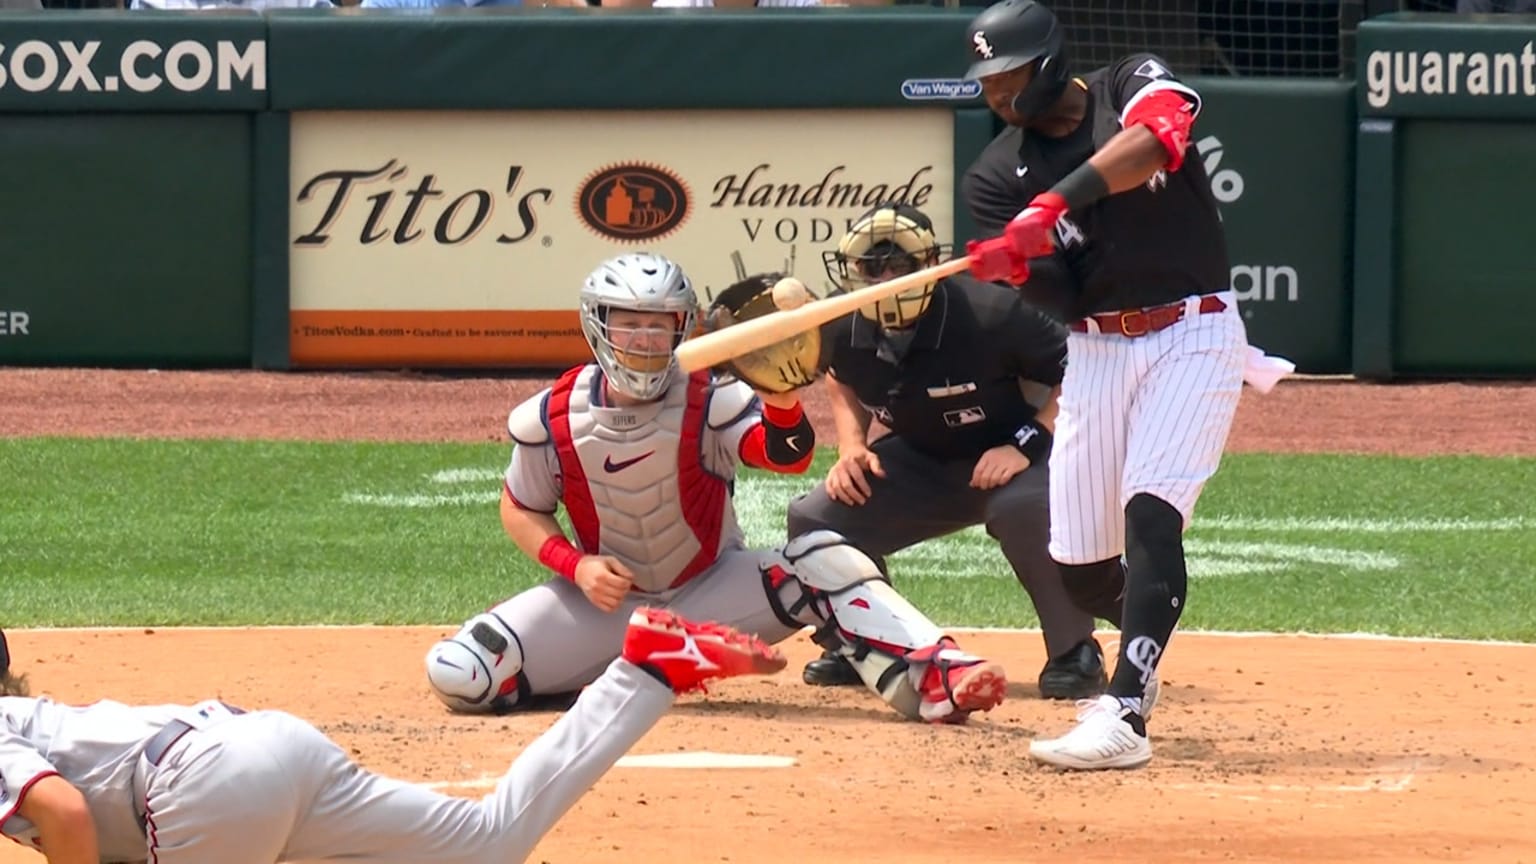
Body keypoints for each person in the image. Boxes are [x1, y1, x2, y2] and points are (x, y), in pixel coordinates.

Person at [423, 251, 1008, 726]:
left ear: (682, 326)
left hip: (713, 594)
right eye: (631, 323)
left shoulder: (708, 398)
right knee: (462, 673)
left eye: (660, 326)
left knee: (823, 557)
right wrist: (575, 568)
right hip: (607, 606)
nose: (647, 340)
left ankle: (937, 670)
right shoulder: (549, 415)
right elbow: (521, 508)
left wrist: (781, 401)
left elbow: (784, 456)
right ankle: (643, 664)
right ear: (598, 326)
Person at [957, 0, 1270, 770]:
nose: (999, 94)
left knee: (1151, 515)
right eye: (988, 81)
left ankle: (1126, 709)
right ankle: (1147, 634)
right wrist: (1022, 269)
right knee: (1082, 568)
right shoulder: (995, 174)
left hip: (1193, 328)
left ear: (1051, 60)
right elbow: (1070, 298)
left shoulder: (1126, 83)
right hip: (1097, 350)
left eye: (1011, 74)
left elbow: (1158, 142)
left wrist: (1057, 202)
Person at [0, 611, 785, 863]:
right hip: (264, 750)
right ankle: (648, 669)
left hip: (205, 792)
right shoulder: (39, 718)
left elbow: (65, 814)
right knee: (487, 842)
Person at [784, 201, 1106, 701]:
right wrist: (850, 444)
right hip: (921, 459)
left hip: (1018, 454)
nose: (885, 279)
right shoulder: (840, 321)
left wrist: (1027, 442)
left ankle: (1075, 651)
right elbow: (840, 377)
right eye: (874, 268)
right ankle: (858, 643)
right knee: (815, 517)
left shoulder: (994, 313)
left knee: (1023, 506)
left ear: (928, 266)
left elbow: (1082, 369)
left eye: (899, 266)